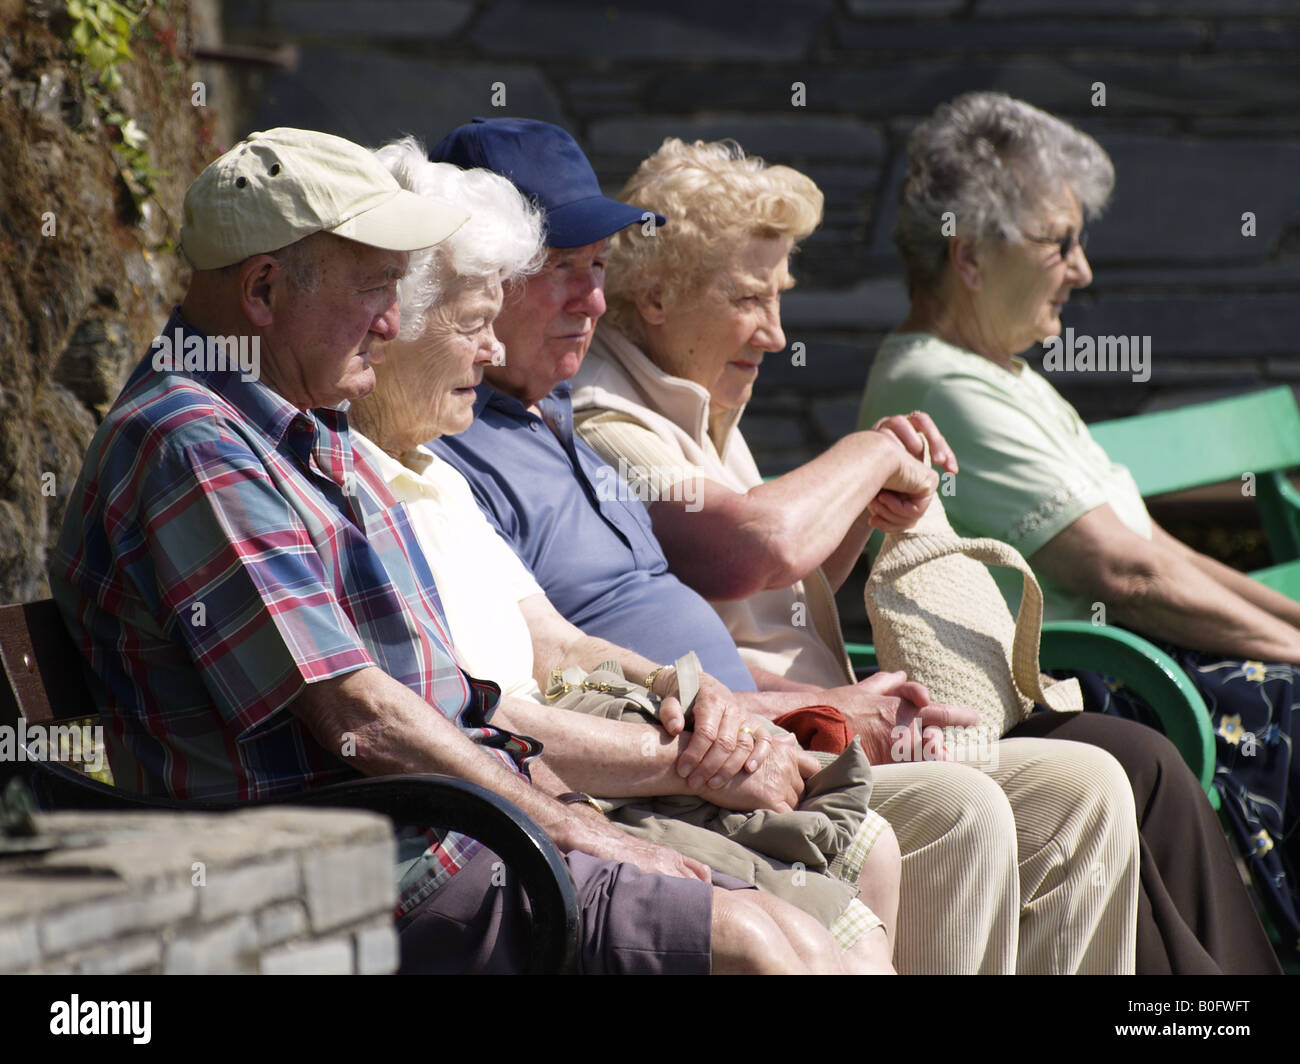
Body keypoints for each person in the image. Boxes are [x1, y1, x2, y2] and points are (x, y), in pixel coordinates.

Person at [48, 126, 853, 976]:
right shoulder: (190, 443)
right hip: (340, 881)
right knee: (760, 947)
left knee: (794, 931)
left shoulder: (299, 427)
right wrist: (570, 823)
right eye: (373, 290)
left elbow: (437, 691)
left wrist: (570, 796)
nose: (393, 324)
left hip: (437, 835)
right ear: (262, 290)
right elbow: (357, 715)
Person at [429, 116, 1142, 975]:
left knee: (1094, 783)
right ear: (473, 283)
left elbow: (724, 612)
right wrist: (869, 456)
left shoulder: (556, 418)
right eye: (562, 272)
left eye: (598, 268)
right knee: (979, 807)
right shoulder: (481, 438)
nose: (594, 299)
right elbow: (735, 563)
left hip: (755, 730)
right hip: (680, 763)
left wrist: (823, 696)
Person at [346, 136, 900, 972]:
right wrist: (701, 753)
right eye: (474, 321)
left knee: (878, 858)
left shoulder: (465, 455)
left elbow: (562, 642)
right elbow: (469, 714)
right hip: (528, 810)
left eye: (601, 265)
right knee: (834, 909)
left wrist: (707, 701)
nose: (492, 348)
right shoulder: (388, 474)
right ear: (388, 327)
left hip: (652, 752)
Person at [857, 91, 1286, 973]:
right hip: (1094, 687)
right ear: (969, 257)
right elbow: (1125, 573)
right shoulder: (941, 387)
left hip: (1144, 672)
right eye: (1061, 242)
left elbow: (1156, 554)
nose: (1082, 269)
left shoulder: (1000, 372)